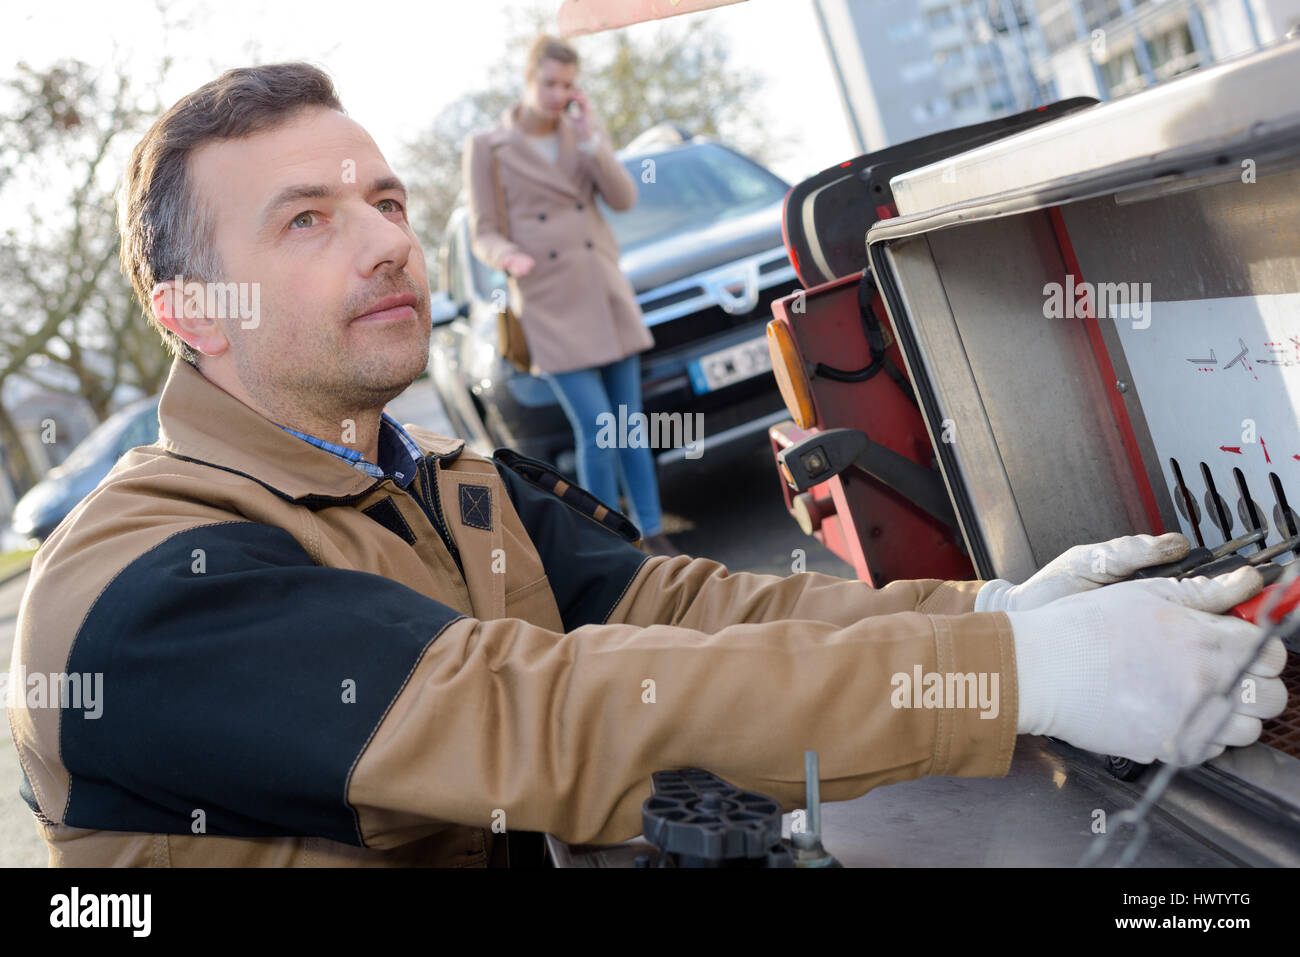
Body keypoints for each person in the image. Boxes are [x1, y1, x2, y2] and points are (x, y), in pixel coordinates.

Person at [6, 63, 1284, 868]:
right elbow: (533, 717)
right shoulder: (146, 588)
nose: (386, 243)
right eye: (306, 220)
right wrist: (1013, 681)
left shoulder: (435, 474)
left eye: (386, 203)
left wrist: (992, 616)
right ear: (190, 312)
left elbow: (680, 606)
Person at [462, 35, 680, 557]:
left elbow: (623, 198)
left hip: (604, 292)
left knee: (628, 425)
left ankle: (652, 531)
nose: (558, 94)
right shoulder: (488, 147)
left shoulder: (580, 135)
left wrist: (590, 139)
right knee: (599, 428)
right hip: (548, 301)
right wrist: (509, 257)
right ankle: (608, 544)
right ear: (528, 78)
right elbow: (482, 232)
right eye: (549, 83)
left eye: (567, 85)